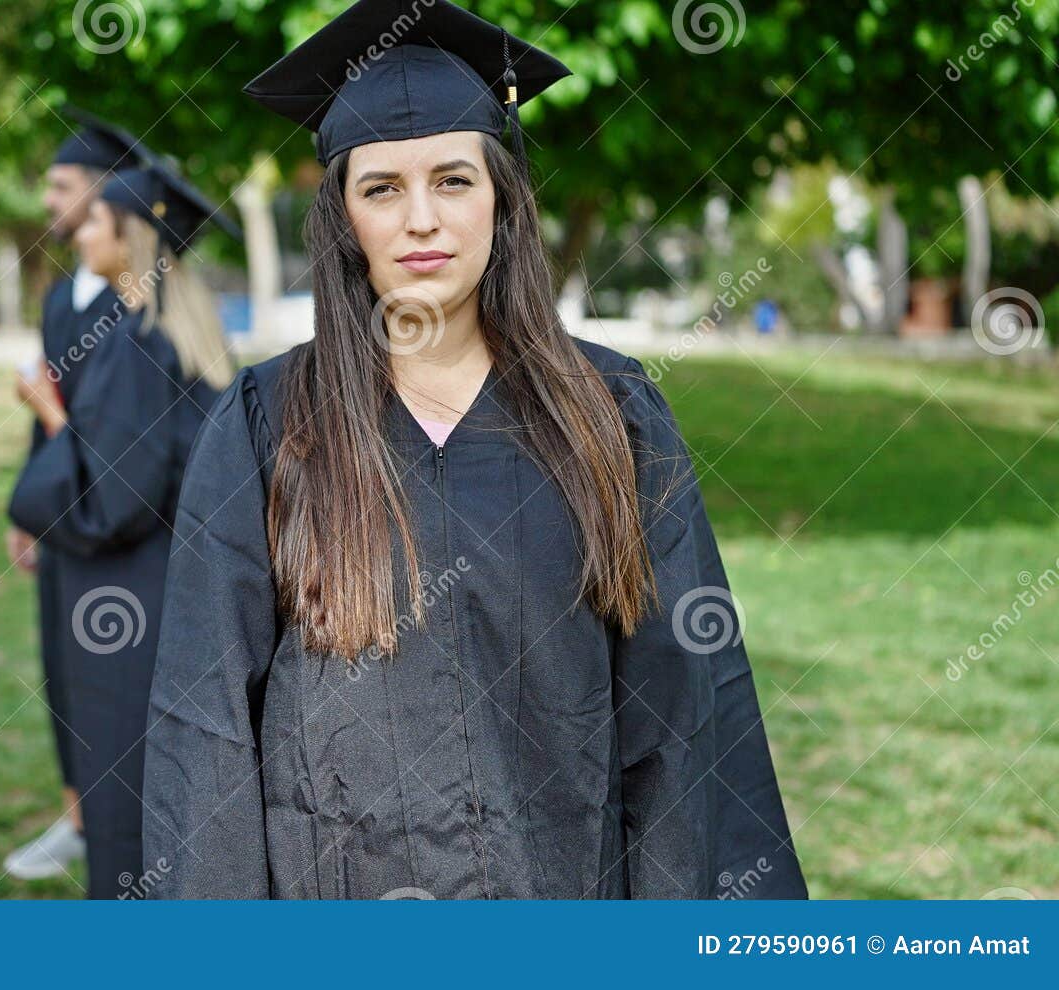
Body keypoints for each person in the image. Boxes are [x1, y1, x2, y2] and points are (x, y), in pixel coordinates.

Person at [141, 0, 807, 899]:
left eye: (454, 180)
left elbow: (682, 714)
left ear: (503, 200)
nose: (422, 219)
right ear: (344, 218)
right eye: (382, 188)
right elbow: (206, 729)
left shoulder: (611, 412)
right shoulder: (267, 427)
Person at [8, 154, 238, 898]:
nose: (78, 234)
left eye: (95, 221)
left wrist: (49, 417)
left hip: (123, 597)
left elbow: (112, 503)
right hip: (167, 587)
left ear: (130, 236)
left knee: (125, 793)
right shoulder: (174, 333)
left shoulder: (136, 346)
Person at [2, 108, 148, 881]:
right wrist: (25, 507)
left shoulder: (136, 300)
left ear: (102, 195)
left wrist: (52, 421)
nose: (49, 203)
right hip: (61, 495)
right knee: (61, 664)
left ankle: (111, 817)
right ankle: (77, 814)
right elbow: (48, 402)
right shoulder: (61, 298)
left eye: (61, 187)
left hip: (112, 506)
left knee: (105, 670)